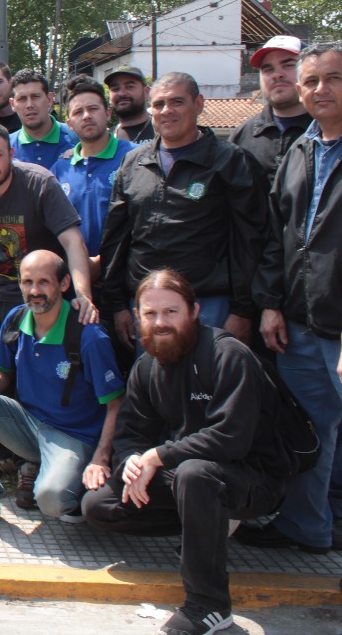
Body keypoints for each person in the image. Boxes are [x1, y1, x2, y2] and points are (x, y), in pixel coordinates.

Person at [83, 270, 287, 635]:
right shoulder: (146, 366)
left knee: (196, 474)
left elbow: (231, 439)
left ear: (194, 311)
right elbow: (131, 433)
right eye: (150, 313)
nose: (160, 322)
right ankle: (205, 527)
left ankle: (208, 605)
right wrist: (131, 461)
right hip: (191, 478)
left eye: (171, 312)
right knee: (98, 505)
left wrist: (156, 456)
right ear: (138, 315)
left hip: (251, 478)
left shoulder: (228, 354)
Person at [244, 41, 342, 555]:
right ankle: (309, 527)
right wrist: (271, 303)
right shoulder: (302, 151)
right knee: (312, 430)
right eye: (312, 81)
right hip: (300, 322)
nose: (320, 89)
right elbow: (279, 235)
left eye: (332, 79)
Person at [0, 250, 123, 530]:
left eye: (43, 282)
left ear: (64, 284)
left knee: (52, 502)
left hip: (73, 435)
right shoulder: (17, 318)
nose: (34, 291)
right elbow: (0, 370)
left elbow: (116, 403)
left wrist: (101, 458)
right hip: (29, 424)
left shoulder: (88, 335)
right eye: (27, 282)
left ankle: (74, 481)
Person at [100, 72, 268, 349]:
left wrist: (242, 310)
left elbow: (250, 241)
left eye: (177, 102)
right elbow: (117, 239)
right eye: (159, 104)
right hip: (146, 305)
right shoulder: (133, 164)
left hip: (209, 305)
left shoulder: (230, 161)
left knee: (209, 387)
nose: (167, 111)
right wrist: (117, 304)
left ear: (198, 104)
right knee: (152, 387)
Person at [0, 122, 97, 383]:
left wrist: (84, 295)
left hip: (36, 295)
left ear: (11, 152)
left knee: (30, 381)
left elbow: (73, 241)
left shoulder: (39, 183)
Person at [51, 76, 134, 277]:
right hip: (75, 281)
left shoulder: (135, 158)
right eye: (78, 112)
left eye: (93, 109)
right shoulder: (59, 169)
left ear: (108, 113)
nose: (86, 116)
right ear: (69, 124)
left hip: (125, 279)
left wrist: (101, 262)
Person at [230, 35, 311, 180]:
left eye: (288, 65)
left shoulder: (327, 132)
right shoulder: (241, 137)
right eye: (268, 69)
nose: (277, 75)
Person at [8, 69, 78, 170]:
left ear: (49, 99)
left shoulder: (76, 138)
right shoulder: (5, 147)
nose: (29, 105)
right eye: (22, 99)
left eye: (35, 97)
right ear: (13, 104)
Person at [105, 66, 155, 145]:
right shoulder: (107, 140)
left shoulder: (162, 131)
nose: (122, 93)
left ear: (146, 92)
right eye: (115, 89)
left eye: (129, 87)